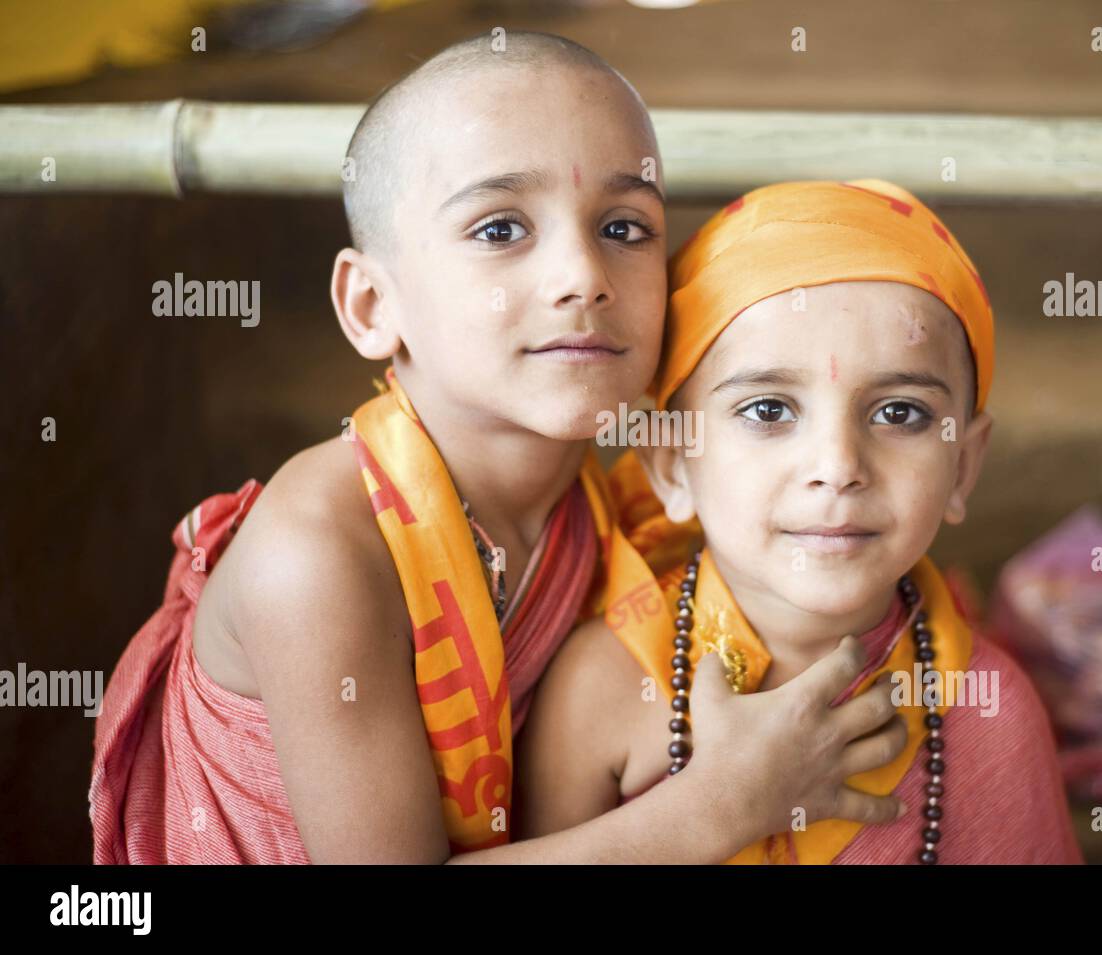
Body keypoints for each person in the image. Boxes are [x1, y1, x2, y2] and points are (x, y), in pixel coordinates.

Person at [91, 35, 910, 864]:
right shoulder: (319, 553)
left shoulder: (587, 506)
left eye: (624, 226)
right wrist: (724, 802)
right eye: (500, 227)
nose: (582, 274)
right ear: (373, 304)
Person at [518, 179, 1084, 864]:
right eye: (768, 410)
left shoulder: (991, 710)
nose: (838, 465)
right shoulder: (600, 689)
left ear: (962, 466)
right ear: (671, 461)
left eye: (899, 412)